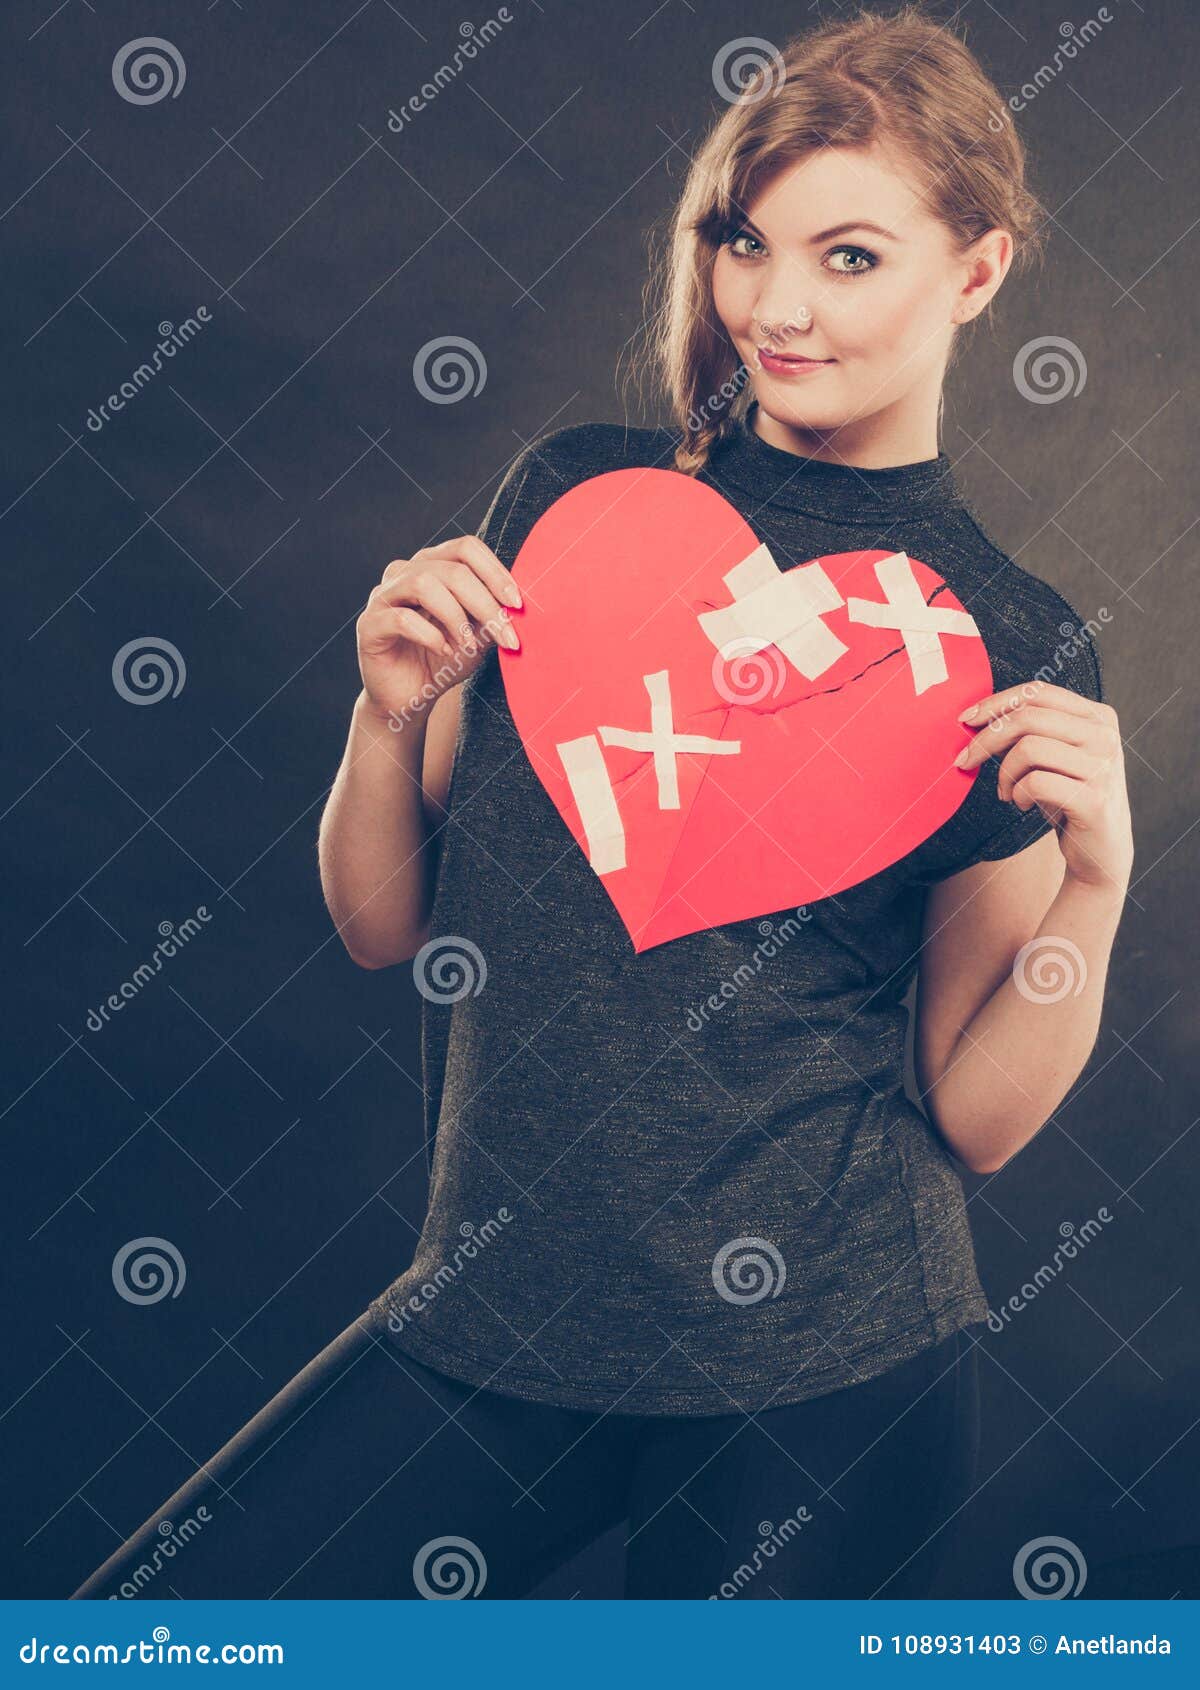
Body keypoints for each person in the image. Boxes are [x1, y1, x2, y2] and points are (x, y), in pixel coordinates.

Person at [71, 5, 1132, 1602]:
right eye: (743, 243)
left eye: (849, 256)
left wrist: (1095, 889)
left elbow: (970, 1113)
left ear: (975, 273)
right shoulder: (583, 506)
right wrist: (385, 714)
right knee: (153, 1633)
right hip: (495, 1320)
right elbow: (384, 925)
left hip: (824, 1372)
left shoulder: (999, 634)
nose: (776, 305)